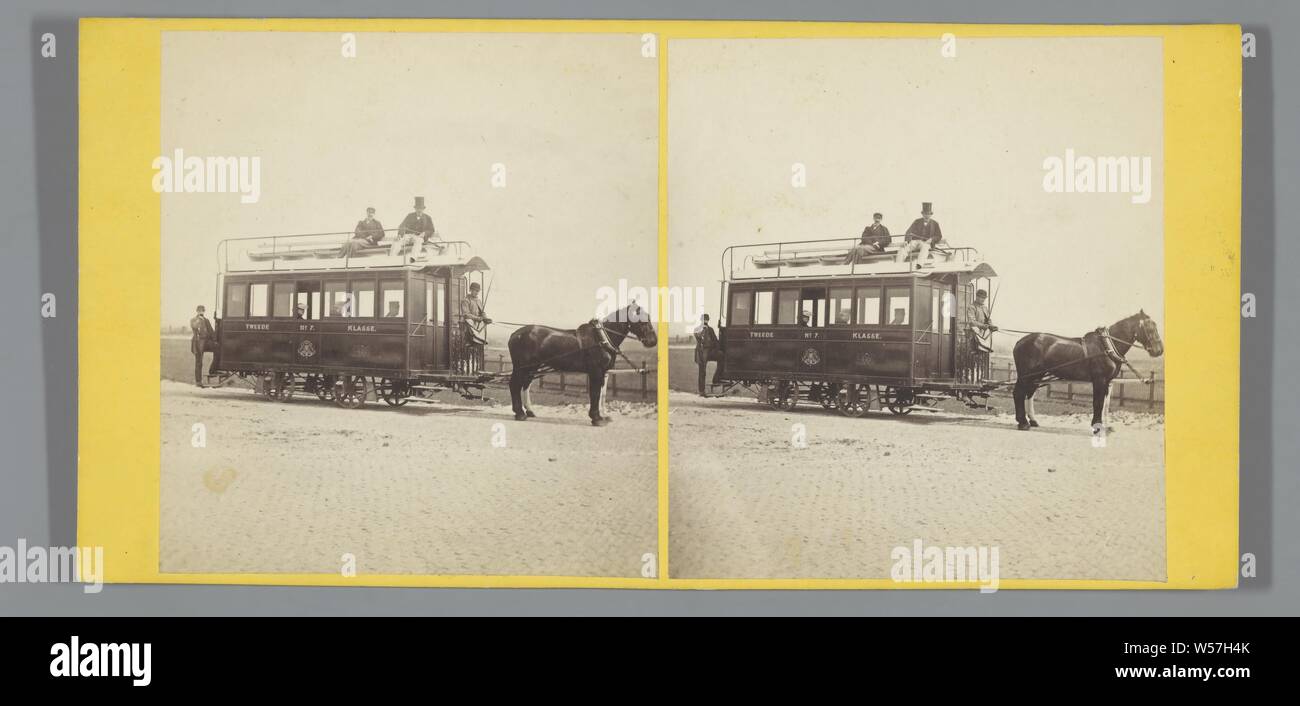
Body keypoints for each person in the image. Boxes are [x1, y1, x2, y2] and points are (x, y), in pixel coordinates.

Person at [896, 201, 943, 267]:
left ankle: (919, 265)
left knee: (925, 247)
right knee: (903, 248)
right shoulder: (917, 221)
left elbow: (939, 236)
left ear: (930, 214)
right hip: (915, 242)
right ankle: (898, 265)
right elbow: (909, 231)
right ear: (922, 214)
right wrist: (906, 240)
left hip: (925, 243)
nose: (926, 216)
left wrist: (932, 239)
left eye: (928, 214)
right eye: (925, 214)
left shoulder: (935, 224)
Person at [459, 282, 492, 373]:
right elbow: (466, 314)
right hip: (468, 323)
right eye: (474, 291)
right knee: (469, 323)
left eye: (477, 291)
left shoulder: (478, 301)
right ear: (471, 290)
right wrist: (477, 318)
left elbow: (482, 312)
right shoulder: (465, 300)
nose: (476, 293)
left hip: (478, 323)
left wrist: (485, 318)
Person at [967, 288, 997, 381]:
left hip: (983, 335)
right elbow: (971, 321)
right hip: (973, 334)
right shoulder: (972, 307)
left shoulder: (985, 308)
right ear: (977, 297)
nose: (982, 299)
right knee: (975, 356)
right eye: (981, 297)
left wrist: (992, 326)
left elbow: (989, 320)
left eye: (984, 298)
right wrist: (983, 326)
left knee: (983, 355)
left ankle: (981, 376)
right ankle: (972, 376)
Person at [693, 313, 722, 396]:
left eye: (706, 319)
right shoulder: (697, 329)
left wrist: (716, 349)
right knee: (702, 371)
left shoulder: (711, 329)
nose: (705, 321)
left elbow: (715, 341)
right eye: (704, 319)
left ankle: (716, 378)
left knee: (721, 356)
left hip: (710, 351)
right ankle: (701, 391)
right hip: (701, 351)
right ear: (701, 320)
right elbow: (699, 339)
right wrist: (703, 330)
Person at [190, 305, 215, 387]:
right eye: (199, 310)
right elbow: (194, 327)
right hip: (197, 342)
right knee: (199, 362)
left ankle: (213, 370)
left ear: (204, 311)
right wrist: (199, 320)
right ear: (197, 311)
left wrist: (215, 340)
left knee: (218, 350)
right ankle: (198, 381)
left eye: (202, 310)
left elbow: (211, 331)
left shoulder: (206, 320)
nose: (201, 312)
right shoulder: (193, 320)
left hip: (206, 342)